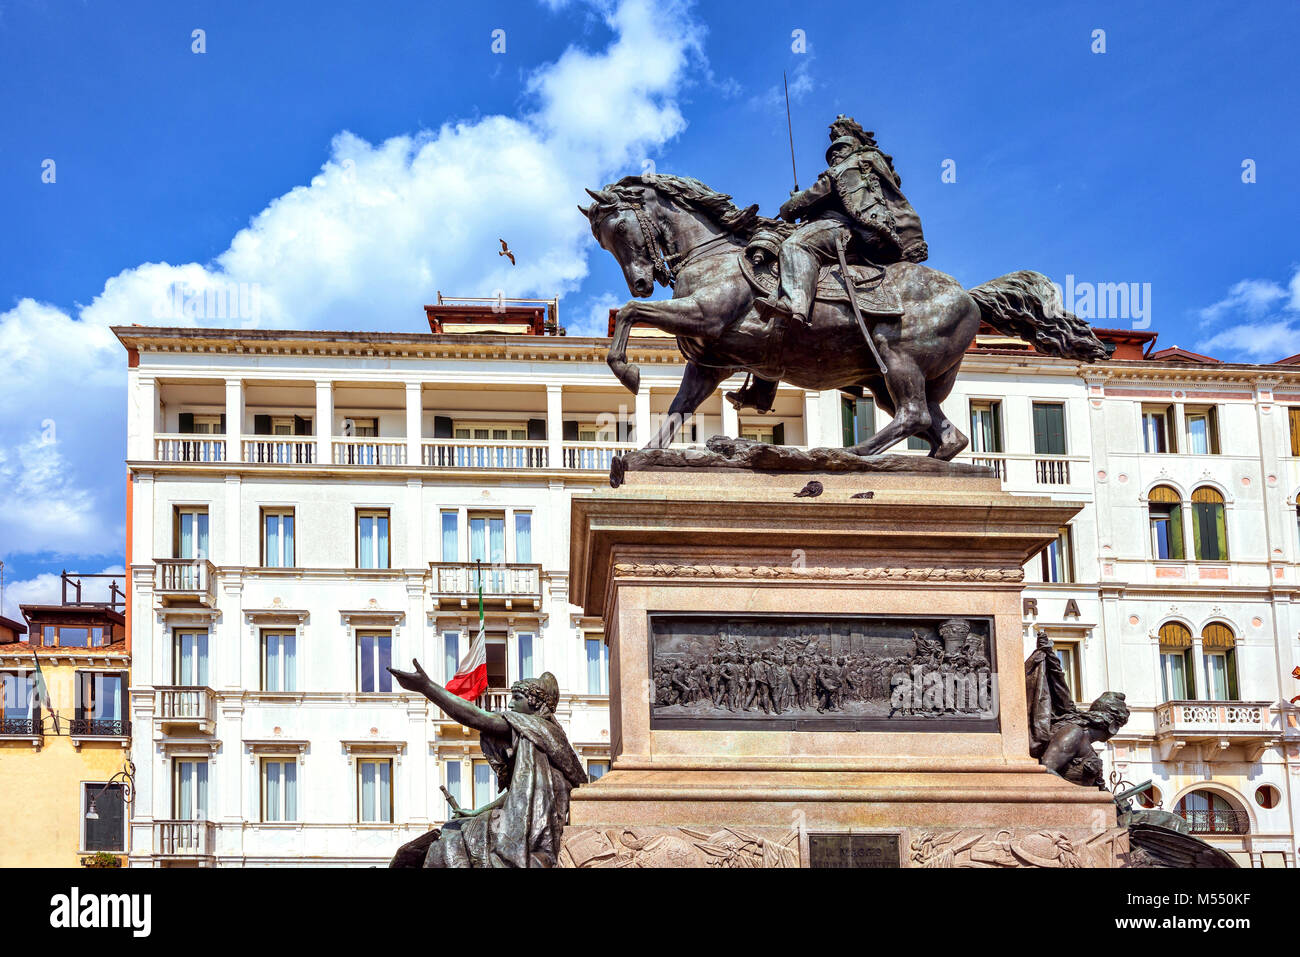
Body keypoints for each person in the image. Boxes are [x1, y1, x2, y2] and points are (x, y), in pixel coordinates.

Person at [388, 661, 587, 867]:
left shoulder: (533, 728)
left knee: (449, 842)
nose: (510, 705)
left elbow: (475, 717)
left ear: (534, 703)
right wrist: (477, 812)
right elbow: (520, 793)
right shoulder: (547, 738)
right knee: (455, 831)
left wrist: (427, 687)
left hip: (530, 830)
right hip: (527, 822)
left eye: (517, 699)